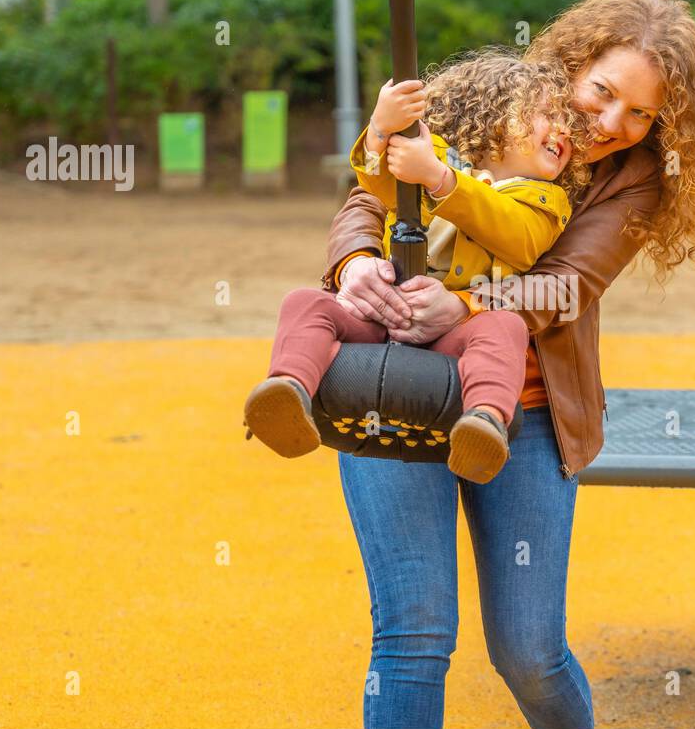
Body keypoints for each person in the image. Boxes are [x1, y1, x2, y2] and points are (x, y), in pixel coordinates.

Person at [323, 0, 695, 729]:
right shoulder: (499, 101)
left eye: (642, 114)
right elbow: (375, 191)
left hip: (527, 413)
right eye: (603, 93)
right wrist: (353, 261)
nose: (613, 125)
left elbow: (568, 286)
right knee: (412, 638)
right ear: (571, 63)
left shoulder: (632, 174)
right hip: (397, 384)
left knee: (528, 650)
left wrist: (470, 306)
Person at [244, 49, 587, 484]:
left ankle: (484, 423)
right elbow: (379, 181)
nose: (562, 131)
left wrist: (441, 181)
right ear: (492, 117)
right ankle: (289, 391)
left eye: (568, 125)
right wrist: (382, 130)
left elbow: (518, 238)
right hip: (384, 315)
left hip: (454, 336)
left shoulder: (544, 199)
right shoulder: (437, 154)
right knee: (305, 303)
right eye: (543, 115)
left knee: (504, 329)